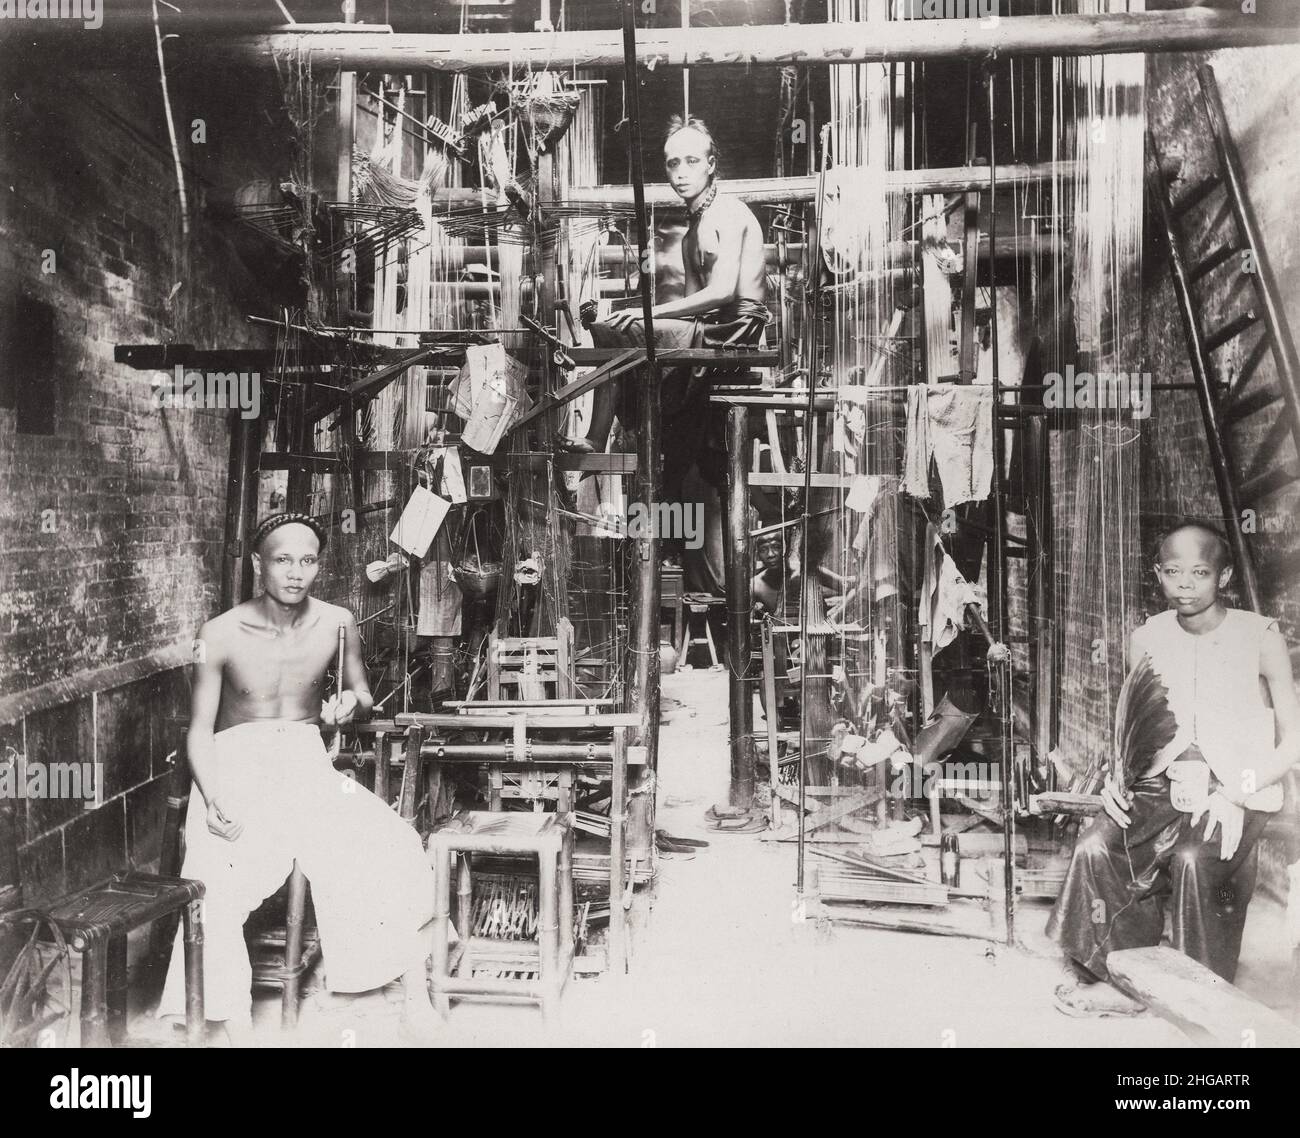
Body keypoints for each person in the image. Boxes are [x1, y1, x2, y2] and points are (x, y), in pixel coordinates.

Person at [157, 512, 439, 1042]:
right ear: (257, 563)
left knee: (393, 843)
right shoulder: (219, 633)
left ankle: (414, 992)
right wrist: (212, 797)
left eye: (307, 560)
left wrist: (345, 707)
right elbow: (199, 731)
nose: (295, 573)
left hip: (308, 766)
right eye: (282, 560)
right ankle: (231, 1017)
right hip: (235, 767)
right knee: (216, 878)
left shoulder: (337, 620)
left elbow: (363, 693)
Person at [1050, 522, 1299, 1015]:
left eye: (1200, 572)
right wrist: (1117, 779)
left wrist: (1238, 792)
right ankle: (1118, 978)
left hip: (1238, 787)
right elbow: (1135, 721)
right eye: (1172, 571)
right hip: (1159, 784)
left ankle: (1199, 993)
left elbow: (1294, 740)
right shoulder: (1148, 637)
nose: (1184, 584)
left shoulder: (1259, 636)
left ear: (1224, 576)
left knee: (1193, 860)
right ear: (1157, 575)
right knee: (1097, 846)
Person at [563, 115, 770, 510]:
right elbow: (690, 315)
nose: (681, 172)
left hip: (737, 328)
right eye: (673, 163)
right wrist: (641, 319)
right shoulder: (695, 228)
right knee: (613, 329)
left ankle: (598, 435)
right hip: (710, 327)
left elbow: (721, 292)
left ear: (711, 164)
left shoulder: (727, 211)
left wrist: (647, 316)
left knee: (618, 330)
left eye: (692, 161)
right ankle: (607, 439)